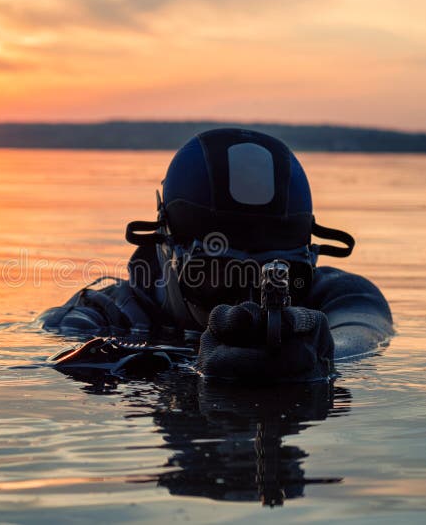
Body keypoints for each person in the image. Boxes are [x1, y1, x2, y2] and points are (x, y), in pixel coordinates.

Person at [39, 128, 393, 382]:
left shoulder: (338, 296)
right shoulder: (103, 317)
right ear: (164, 249)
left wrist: (319, 347)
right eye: (216, 276)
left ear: (310, 262)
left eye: (280, 276)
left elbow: (361, 333)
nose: (248, 303)